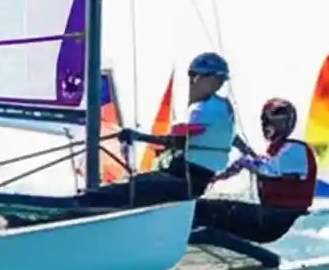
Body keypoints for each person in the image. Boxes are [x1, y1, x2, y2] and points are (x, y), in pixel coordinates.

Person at [86, 52, 236, 206]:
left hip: (188, 179)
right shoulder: (224, 108)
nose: (191, 81)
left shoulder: (206, 109)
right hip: (195, 177)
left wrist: (137, 136)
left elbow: (175, 140)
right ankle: (89, 201)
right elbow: (227, 138)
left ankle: (84, 204)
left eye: (194, 75)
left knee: (134, 187)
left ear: (213, 80)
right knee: (138, 182)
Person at [193, 98, 317, 243]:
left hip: (277, 219)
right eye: (270, 120)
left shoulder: (295, 149)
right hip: (271, 217)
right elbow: (261, 164)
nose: (272, 125)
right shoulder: (275, 153)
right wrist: (216, 177)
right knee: (206, 209)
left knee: (203, 209)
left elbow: (267, 169)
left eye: (279, 120)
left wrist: (244, 161)